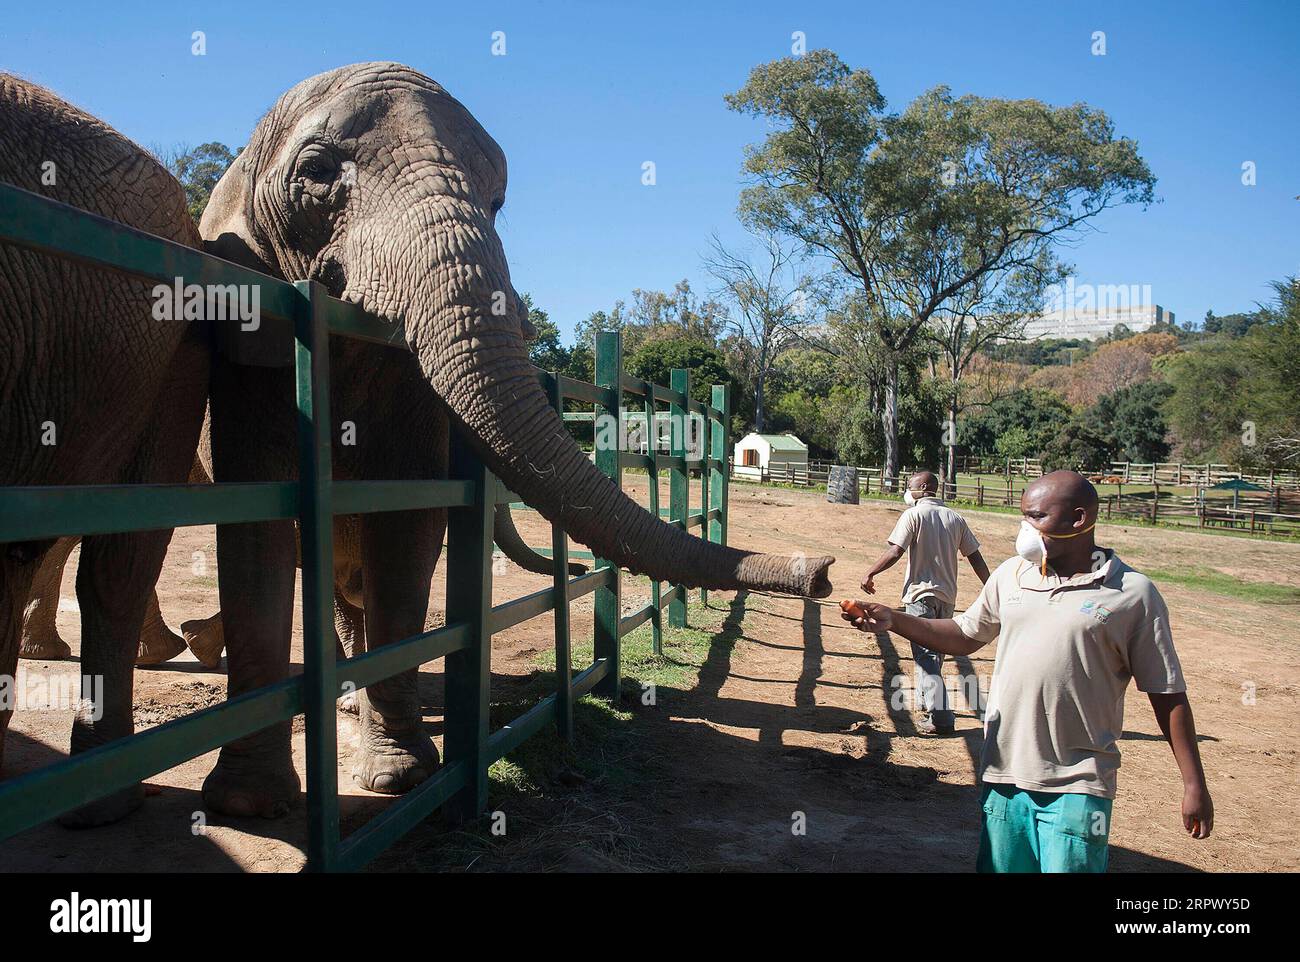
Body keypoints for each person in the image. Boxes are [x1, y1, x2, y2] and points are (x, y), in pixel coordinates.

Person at [844, 470, 1214, 873]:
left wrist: (1194, 783)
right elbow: (965, 635)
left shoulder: (1132, 595)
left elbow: (1167, 694)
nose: (1025, 529)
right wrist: (894, 620)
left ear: (1078, 519)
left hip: (1078, 783)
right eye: (1023, 516)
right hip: (1003, 774)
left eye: (1036, 517)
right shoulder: (1011, 575)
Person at [862, 470, 990, 734]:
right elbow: (975, 557)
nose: (908, 492)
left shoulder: (914, 515)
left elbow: (896, 551)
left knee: (925, 654)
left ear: (922, 487)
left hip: (920, 595)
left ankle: (941, 717)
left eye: (910, 487)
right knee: (935, 651)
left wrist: (871, 572)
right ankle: (927, 702)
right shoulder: (955, 518)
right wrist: (991, 585)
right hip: (947, 596)